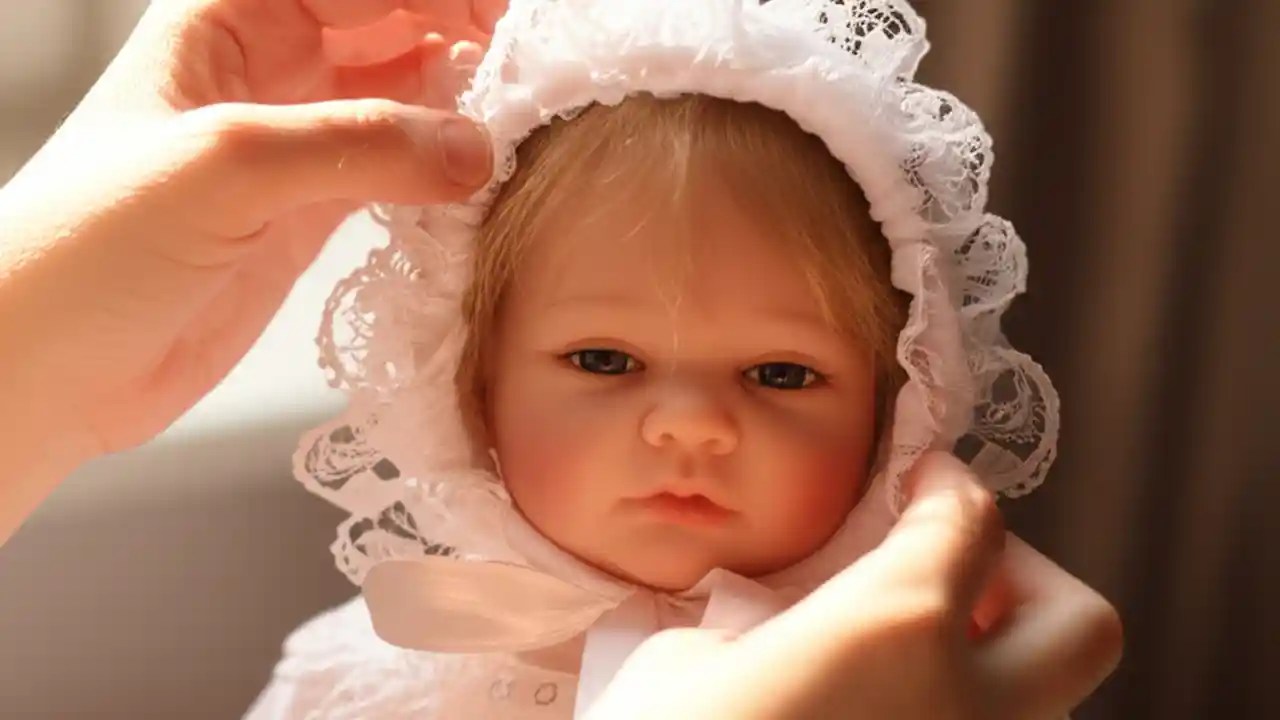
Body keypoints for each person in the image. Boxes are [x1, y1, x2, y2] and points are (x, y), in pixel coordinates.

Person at [0, 1, 1121, 718]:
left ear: (898, 408)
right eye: (602, 358)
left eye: (780, 374)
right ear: (464, 379)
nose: (690, 425)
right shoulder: (365, 679)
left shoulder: (927, 692)